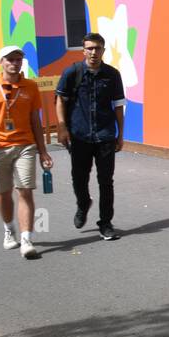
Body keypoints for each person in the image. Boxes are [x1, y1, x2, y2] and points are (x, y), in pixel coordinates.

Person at [0, 46, 54, 259]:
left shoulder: (30, 86)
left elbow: (35, 120)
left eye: (18, 59)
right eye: (10, 59)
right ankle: (9, 229)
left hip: (25, 145)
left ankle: (27, 239)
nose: (15, 63)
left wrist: (43, 151)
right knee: (3, 193)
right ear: (1, 62)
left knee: (25, 191)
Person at [55, 33, 126, 241]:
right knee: (79, 178)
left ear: (103, 50)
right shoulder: (72, 73)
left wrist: (120, 135)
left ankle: (105, 223)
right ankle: (83, 203)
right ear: (83, 50)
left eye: (98, 48)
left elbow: (118, 106)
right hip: (79, 136)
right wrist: (61, 128)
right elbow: (60, 99)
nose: (94, 52)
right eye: (90, 48)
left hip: (105, 136)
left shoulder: (112, 75)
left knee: (106, 181)